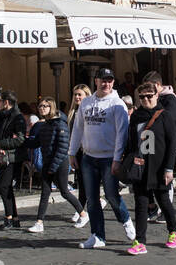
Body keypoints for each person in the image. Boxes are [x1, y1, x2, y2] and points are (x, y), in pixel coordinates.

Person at [69, 68, 134, 249]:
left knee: (112, 195)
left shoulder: (117, 104)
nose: (106, 84)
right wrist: (72, 152)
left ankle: (126, 219)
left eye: (109, 80)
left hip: (108, 158)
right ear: (95, 81)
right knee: (92, 199)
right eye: (102, 80)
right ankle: (97, 236)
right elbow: (78, 129)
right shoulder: (86, 103)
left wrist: (117, 158)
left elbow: (122, 133)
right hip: (89, 157)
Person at [122, 82, 176, 255]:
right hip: (141, 166)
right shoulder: (136, 116)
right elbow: (132, 141)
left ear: (157, 95)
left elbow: (172, 144)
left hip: (159, 166)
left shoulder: (165, 116)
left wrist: (169, 168)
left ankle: (174, 231)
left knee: (163, 200)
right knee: (141, 203)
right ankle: (140, 241)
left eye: (149, 96)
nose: (146, 99)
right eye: (142, 97)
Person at [25, 96, 82, 232]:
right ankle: (39, 222)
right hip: (47, 162)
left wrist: (52, 167)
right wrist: (22, 140)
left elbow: (62, 148)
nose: (42, 108)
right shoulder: (44, 125)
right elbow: (37, 142)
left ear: (52, 108)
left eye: (45, 106)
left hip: (59, 164)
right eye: (40, 106)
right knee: (45, 193)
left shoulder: (60, 124)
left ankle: (83, 213)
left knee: (64, 191)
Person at [0, 91, 27, 230]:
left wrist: (2, 144)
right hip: (4, 153)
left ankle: (9, 217)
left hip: (13, 156)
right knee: (7, 187)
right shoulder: (1, 116)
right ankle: (14, 217)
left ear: (6, 102)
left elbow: (21, 139)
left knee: (4, 186)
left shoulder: (17, 117)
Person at [67, 84, 91, 224]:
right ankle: (81, 209)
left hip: (88, 151)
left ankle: (80, 210)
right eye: (75, 94)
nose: (77, 97)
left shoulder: (89, 111)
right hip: (77, 152)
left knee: (84, 183)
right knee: (81, 182)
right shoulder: (72, 112)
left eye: (79, 94)